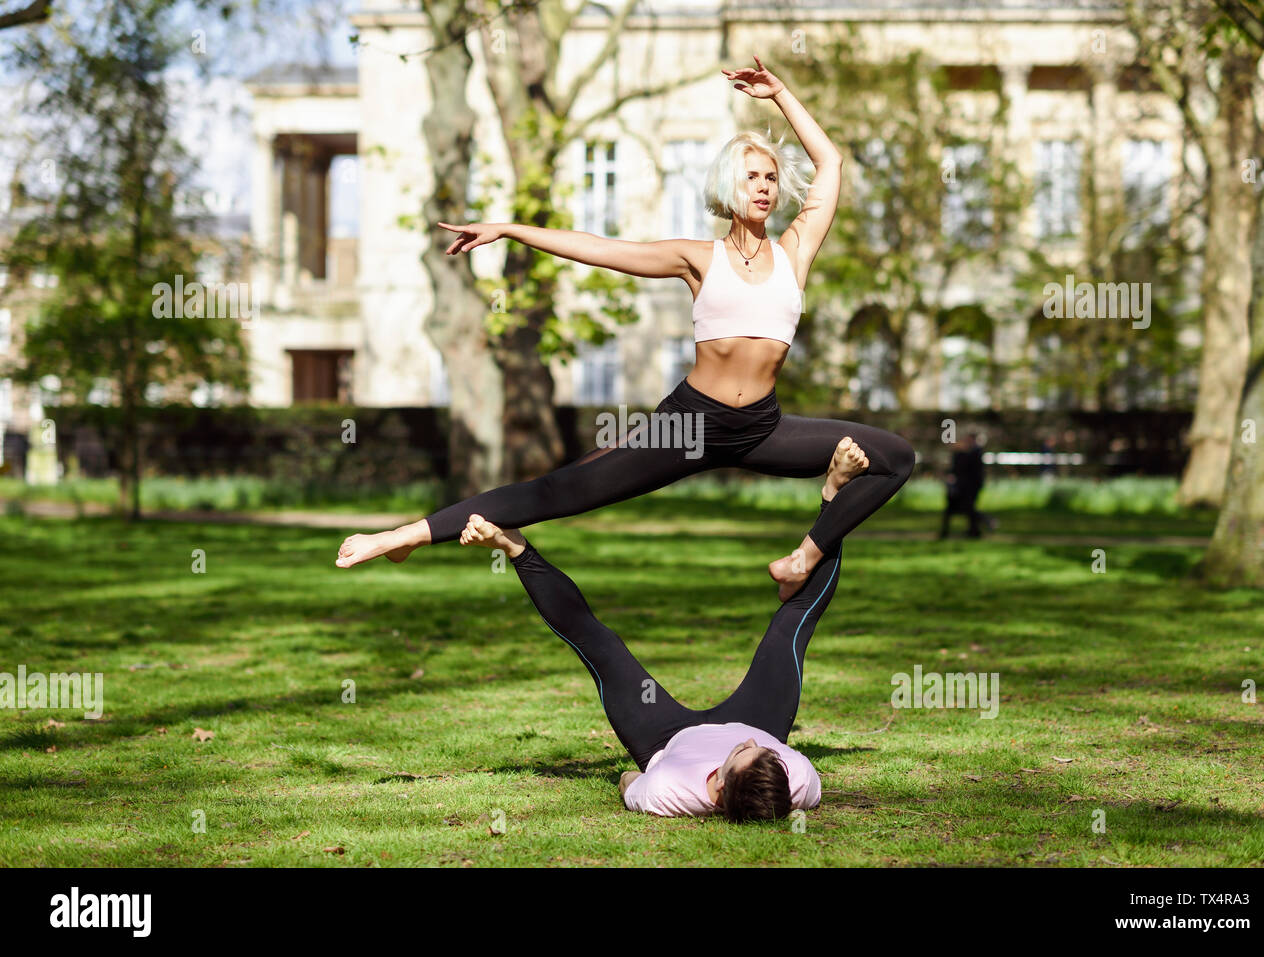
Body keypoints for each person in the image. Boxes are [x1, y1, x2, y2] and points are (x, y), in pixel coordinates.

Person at [336, 56, 915, 601]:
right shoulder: (697, 258)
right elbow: (600, 249)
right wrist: (511, 229)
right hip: (690, 424)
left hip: (761, 427)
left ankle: (802, 559)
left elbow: (831, 163)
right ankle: (403, 537)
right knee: (562, 493)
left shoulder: (796, 251)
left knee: (895, 457)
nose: (763, 186)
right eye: (751, 176)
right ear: (729, 188)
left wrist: (780, 94)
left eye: (769, 176)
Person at [456, 437, 869, 821]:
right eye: (765, 754)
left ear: (719, 786)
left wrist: (639, 779)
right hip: (759, 717)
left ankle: (515, 547)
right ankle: (834, 496)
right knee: (795, 622)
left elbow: (628, 782)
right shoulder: (799, 780)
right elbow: (760, 751)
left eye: (742, 755)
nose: (745, 745)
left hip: (664, 739)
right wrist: (762, 741)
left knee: (600, 645)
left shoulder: (669, 791)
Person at [940, 430, 993, 539]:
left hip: (970, 486)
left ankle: (976, 529)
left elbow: (971, 470)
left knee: (967, 508)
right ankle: (976, 528)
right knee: (962, 509)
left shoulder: (975, 452)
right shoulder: (963, 452)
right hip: (961, 486)